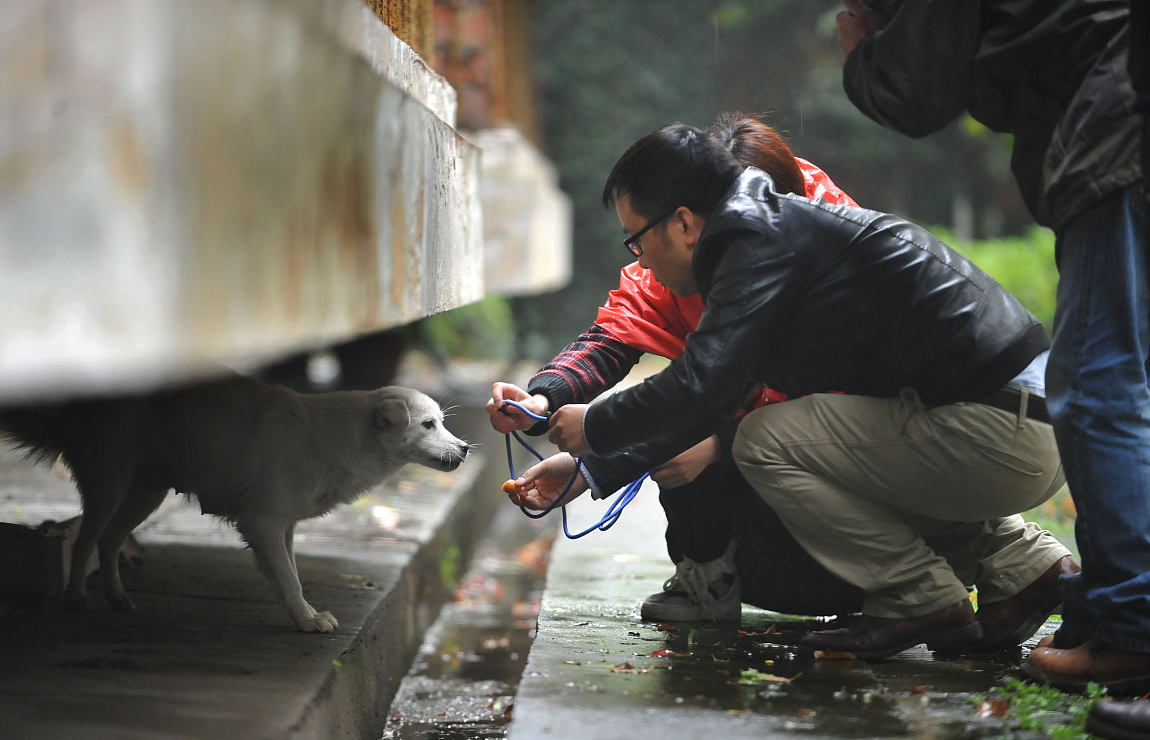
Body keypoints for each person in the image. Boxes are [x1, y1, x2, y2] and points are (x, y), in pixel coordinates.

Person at [526, 122, 1076, 660]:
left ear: (686, 222)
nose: (638, 258)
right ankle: (1025, 567)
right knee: (785, 443)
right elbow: (709, 387)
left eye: (637, 237)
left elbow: (703, 387)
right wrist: (587, 454)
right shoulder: (774, 229)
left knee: (765, 443)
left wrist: (595, 431)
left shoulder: (757, 246)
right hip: (1026, 424)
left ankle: (920, 598)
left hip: (999, 431)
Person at [835, 0, 1150, 692]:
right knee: (1108, 381)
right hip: (1115, 114)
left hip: (1121, 122)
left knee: (1100, 386)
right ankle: (1105, 618)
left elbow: (918, 90)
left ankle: (1132, 630)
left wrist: (861, 49)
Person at [487, 114, 865, 623]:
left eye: (638, 239)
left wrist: (711, 447)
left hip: (864, 503)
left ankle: (921, 582)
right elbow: (615, 334)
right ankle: (707, 577)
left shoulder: (835, 263)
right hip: (787, 516)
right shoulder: (694, 253)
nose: (641, 261)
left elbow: (827, 415)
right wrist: (542, 400)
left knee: (702, 434)